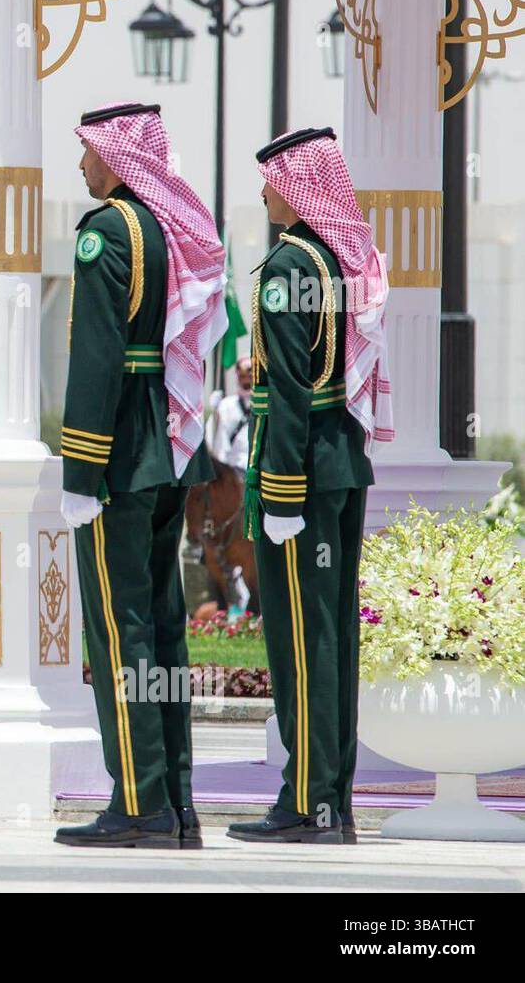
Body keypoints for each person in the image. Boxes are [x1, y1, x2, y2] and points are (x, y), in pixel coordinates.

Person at [53, 103, 226, 850]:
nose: (83, 167)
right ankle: (176, 801)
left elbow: (97, 359)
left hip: (119, 457)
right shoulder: (163, 229)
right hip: (170, 447)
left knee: (121, 636)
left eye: (89, 153)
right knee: (164, 633)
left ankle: (137, 805)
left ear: (119, 159)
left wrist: (80, 467)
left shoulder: (105, 234)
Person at [227, 128, 390, 844]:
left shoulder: (288, 267)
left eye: (270, 181)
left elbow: (291, 389)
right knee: (328, 637)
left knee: (302, 642)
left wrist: (283, 494)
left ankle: (305, 804)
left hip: (299, 473)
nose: (263, 193)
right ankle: (333, 802)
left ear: (295, 188)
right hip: (338, 462)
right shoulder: (332, 260)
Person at [207, 356, 253, 471]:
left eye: (250, 376)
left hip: (257, 469)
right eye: (242, 376)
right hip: (233, 470)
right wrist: (216, 412)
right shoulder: (226, 405)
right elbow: (216, 440)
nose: (246, 380)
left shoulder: (265, 403)